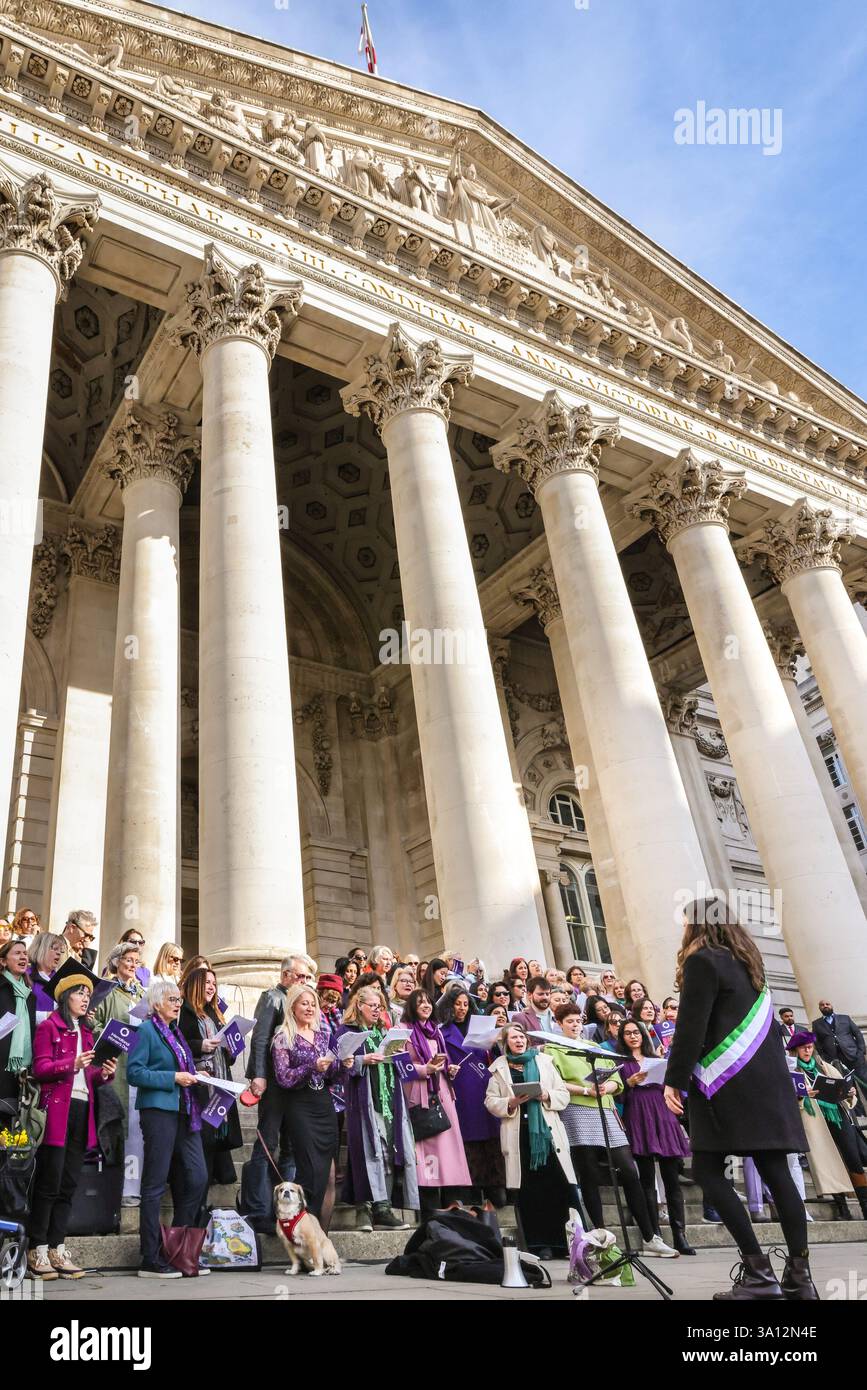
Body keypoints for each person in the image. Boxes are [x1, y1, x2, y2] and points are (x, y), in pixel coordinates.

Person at [664, 896, 814, 1301]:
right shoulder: (752, 965)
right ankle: (801, 1278)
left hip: (727, 1086)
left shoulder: (702, 961)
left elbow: (690, 1027)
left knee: (708, 1173)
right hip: (768, 1087)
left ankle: (758, 1273)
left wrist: (673, 1080)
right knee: (777, 1172)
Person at [546, 1004, 674, 1255]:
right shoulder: (553, 1048)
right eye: (569, 1021)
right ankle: (601, 1237)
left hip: (605, 1109)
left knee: (628, 1169)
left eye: (577, 1021)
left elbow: (616, 1079)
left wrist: (609, 1088)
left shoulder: (594, 1047)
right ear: (559, 1023)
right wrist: (586, 1090)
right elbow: (555, 1080)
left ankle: (650, 1237)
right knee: (589, 1173)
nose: (574, 1025)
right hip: (577, 1110)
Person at [29, 962, 116, 1278]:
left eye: (88, 994)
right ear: (65, 995)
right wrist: (72, 1062)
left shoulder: (88, 1032)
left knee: (69, 1183)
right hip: (56, 1112)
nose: (85, 998)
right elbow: (40, 1068)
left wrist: (103, 1073)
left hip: (82, 1111)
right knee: (49, 1182)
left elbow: (89, 1076)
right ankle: (36, 1249)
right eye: (80, 992)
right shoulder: (48, 1027)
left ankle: (57, 1248)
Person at [127, 978, 208, 1278]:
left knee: (198, 1176)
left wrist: (196, 1073)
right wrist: (173, 1077)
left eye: (179, 999)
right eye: (172, 999)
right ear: (157, 1003)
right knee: (154, 1184)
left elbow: (182, 1067)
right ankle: (150, 1257)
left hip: (185, 1112)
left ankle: (175, 1247)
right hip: (159, 1111)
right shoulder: (147, 1031)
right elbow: (135, 1073)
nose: (178, 1003)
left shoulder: (176, 1033)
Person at [485, 1021, 575, 1258]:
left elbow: (563, 1095)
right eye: (513, 1038)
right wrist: (510, 1103)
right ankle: (538, 1245)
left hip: (545, 1134)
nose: (518, 1041)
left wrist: (546, 1095)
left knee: (557, 1186)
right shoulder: (499, 1067)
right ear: (506, 1043)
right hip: (519, 1133)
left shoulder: (544, 1062)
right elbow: (490, 1101)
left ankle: (563, 1244)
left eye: (521, 1036)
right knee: (529, 1192)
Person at [244, 953, 316, 1231]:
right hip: (273, 1085)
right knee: (266, 1144)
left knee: (291, 1147)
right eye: (300, 976)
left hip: (295, 1087)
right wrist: (259, 1075)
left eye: (308, 977)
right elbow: (260, 1038)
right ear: (285, 976)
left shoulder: (302, 1001)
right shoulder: (273, 998)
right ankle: (258, 1209)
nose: (305, 981)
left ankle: (287, 1212)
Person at [339, 984, 415, 1230]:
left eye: (380, 1006)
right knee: (367, 1151)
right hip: (364, 1099)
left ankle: (383, 1208)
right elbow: (340, 1066)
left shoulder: (384, 1031)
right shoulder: (347, 1031)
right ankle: (365, 1208)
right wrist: (364, 1059)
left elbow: (398, 1065)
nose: (377, 1010)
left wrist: (398, 1053)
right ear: (359, 1006)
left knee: (388, 1152)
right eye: (372, 1005)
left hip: (389, 1099)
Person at [618, 1018, 694, 1255]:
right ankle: (655, 1235)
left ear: (643, 1034)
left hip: (662, 1115)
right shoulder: (620, 1062)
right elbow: (617, 1093)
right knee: (647, 1181)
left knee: (672, 1180)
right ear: (622, 1038)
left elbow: (674, 1088)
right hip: (638, 1115)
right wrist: (628, 1082)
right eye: (627, 1033)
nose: (633, 1036)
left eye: (636, 1032)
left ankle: (680, 1235)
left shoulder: (658, 1060)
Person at [271, 982, 341, 1225]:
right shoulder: (283, 1037)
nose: (310, 1008)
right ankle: (303, 1235)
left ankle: (322, 1237)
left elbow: (333, 1076)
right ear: (292, 1006)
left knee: (330, 1175)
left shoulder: (323, 1036)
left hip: (324, 1103)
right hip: (299, 1106)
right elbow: (283, 1077)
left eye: (313, 1004)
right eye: (304, 1003)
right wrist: (311, 1065)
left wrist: (341, 1064)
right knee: (310, 1172)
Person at [179, 966, 243, 1223]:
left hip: (220, 1088)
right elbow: (179, 1042)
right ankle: (194, 1214)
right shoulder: (184, 1012)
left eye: (214, 983)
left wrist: (231, 1047)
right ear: (194, 984)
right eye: (206, 982)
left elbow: (227, 1054)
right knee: (202, 1148)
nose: (211, 987)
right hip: (199, 1090)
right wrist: (200, 1045)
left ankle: (202, 1211)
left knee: (213, 1146)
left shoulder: (214, 1014)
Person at [401, 988, 472, 1212]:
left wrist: (448, 1068)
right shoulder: (401, 1030)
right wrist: (425, 1069)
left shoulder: (436, 1032)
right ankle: (430, 1203)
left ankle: (451, 1200)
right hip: (420, 1094)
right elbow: (399, 1066)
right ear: (411, 1006)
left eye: (429, 1002)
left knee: (449, 1148)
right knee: (428, 1150)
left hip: (442, 1091)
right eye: (420, 1002)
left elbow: (442, 1061)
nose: (426, 1005)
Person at [437, 987, 506, 1206]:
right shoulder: (442, 1031)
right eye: (458, 1003)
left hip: (484, 1086)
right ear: (449, 1005)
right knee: (469, 1137)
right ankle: (473, 1186)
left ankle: (496, 1184)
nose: (462, 1008)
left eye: (466, 1004)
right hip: (461, 1087)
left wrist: (494, 1044)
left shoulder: (480, 1029)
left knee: (491, 1134)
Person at [788, 1031, 867, 1220]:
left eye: (809, 1047)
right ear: (795, 1050)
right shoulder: (792, 1072)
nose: (807, 1051)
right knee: (829, 1164)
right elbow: (788, 1102)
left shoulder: (825, 1067)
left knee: (853, 1160)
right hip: (815, 1123)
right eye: (803, 1047)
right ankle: (842, 1208)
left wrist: (850, 1093)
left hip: (837, 1117)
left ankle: (865, 1206)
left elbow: (846, 1093)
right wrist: (802, 1095)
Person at [91, 942, 146, 1205]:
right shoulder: (107, 991)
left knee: (138, 1129)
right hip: (116, 1066)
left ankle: (136, 1187)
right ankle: (119, 1189)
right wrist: (113, 1035)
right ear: (116, 962)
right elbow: (93, 1023)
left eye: (137, 960)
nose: (134, 964)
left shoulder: (144, 993)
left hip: (140, 1067)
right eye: (128, 959)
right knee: (118, 1126)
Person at [0, 938, 36, 1104]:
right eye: (17, 953)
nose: (23, 957)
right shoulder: (1, 988)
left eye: (25, 953)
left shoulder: (30, 996)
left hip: (21, 1072)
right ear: (3, 961)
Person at [811, 1000, 867, 1094]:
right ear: (819, 1008)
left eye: (827, 1004)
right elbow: (817, 1043)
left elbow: (857, 1034)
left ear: (831, 1006)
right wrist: (826, 1059)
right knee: (848, 1090)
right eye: (822, 1005)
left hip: (855, 1057)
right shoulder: (816, 1024)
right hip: (837, 1062)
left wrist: (861, 1052)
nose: (825, 1006)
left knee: (865, 1082)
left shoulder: (845, 1018)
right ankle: (857, 1109)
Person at [26, 931, 64, 1023]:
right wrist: (48, 1016)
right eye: (55, 949)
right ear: (41, 949)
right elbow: (21, 1013)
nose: (59, 953)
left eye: (61, 950)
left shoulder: (61, 980)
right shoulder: (26, 976)